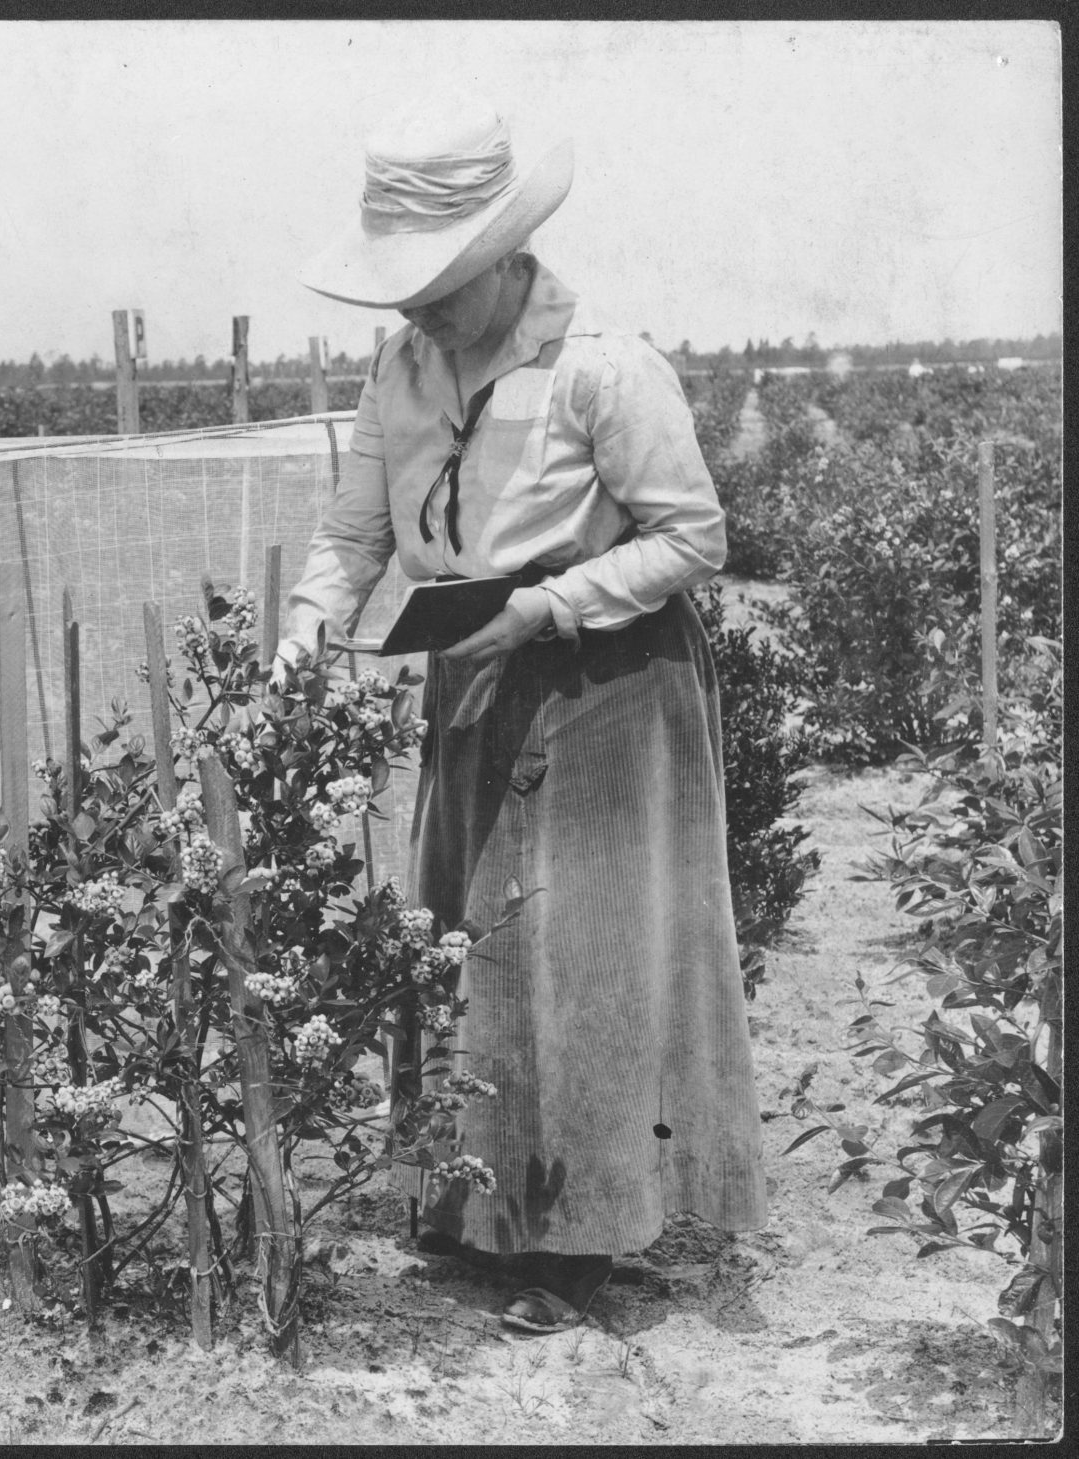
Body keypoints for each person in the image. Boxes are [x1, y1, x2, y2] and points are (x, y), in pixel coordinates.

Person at [279, 90, 769, 1333]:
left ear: (503, 259)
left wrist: (546, 607)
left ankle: (585, 1237)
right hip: (472, 667)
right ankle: (478, 1213)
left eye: (441, 284)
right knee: (468, 934)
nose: (420, 310)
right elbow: (353, 533)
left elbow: (691, 539)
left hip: (605, 677)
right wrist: (297, 635)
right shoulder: (397, 365)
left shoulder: (599, 362)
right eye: (407, 289)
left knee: (587, 946)